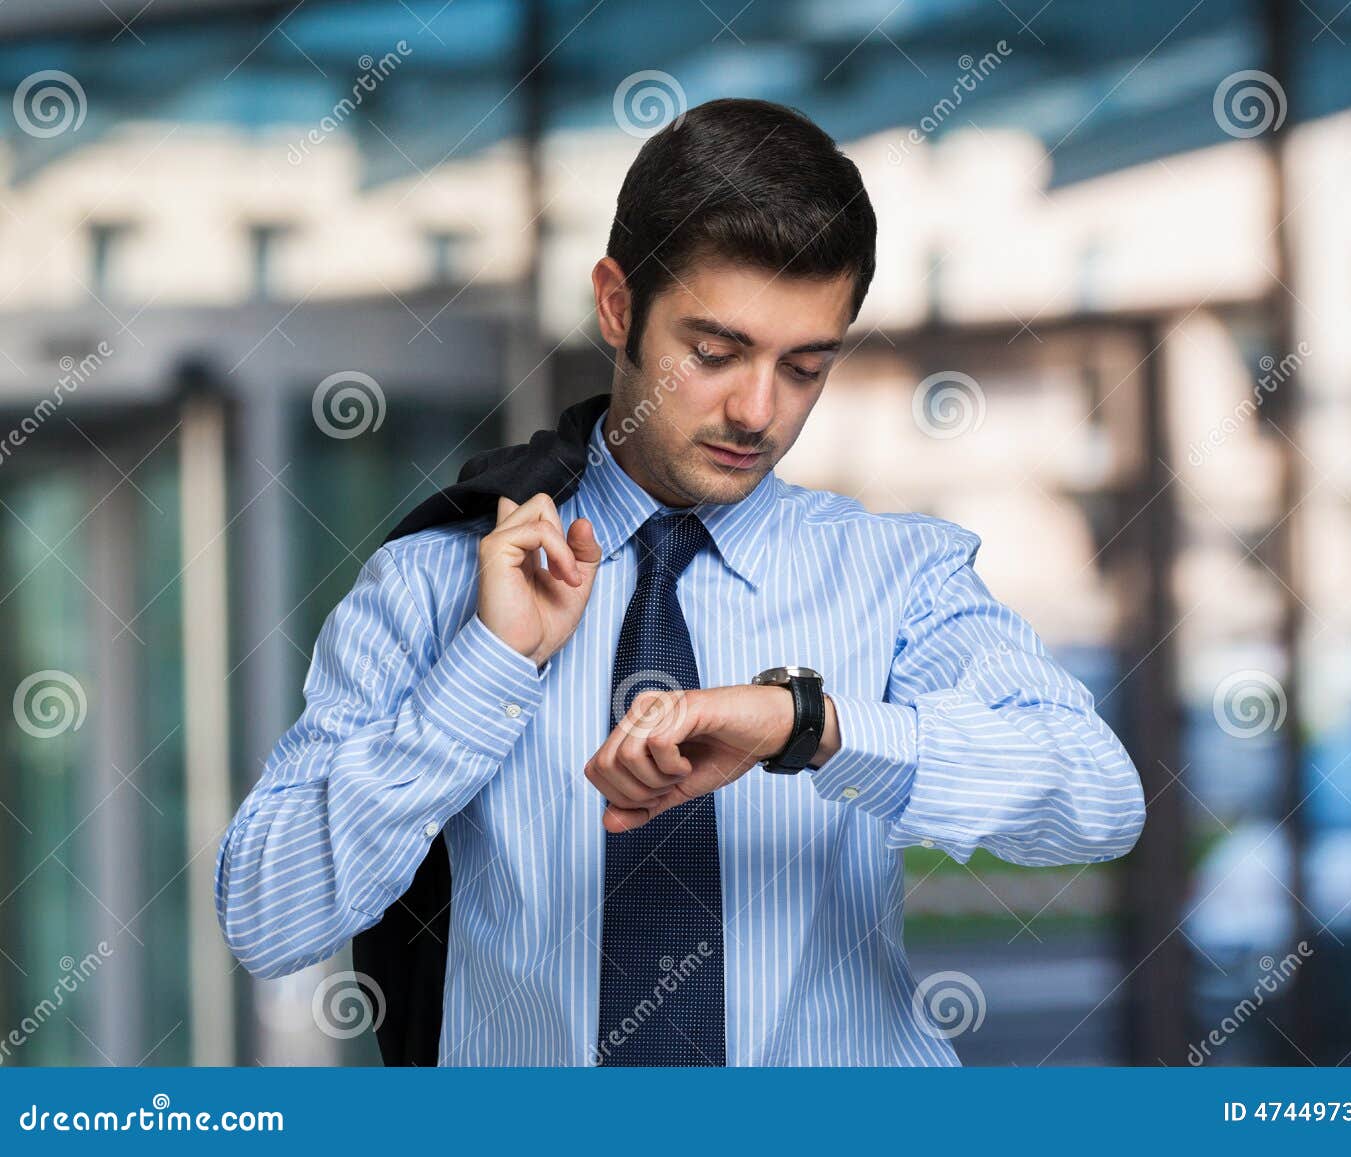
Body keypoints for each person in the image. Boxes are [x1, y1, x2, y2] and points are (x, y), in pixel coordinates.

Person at [213, 97, 1146, 1066]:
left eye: (804, 366)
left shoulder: (897, 574)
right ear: (617, 306)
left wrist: (804, 724)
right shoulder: (432, 583)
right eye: (714, 353)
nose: (757, 410)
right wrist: (486, 667)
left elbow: (1097, 798)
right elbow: (267, 918)